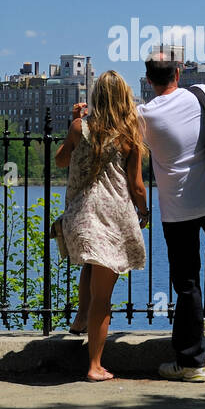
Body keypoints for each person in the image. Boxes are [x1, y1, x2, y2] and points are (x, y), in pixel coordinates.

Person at [137, 53, 205, 383]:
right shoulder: (198, 94)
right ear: (178, 74)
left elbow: (114, 129)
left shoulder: (144, 115)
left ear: (149, 80)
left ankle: (191, 362)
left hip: (176, 209)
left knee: (186, 282)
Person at [55, 71, 149, 381]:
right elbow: (136, 185)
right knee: (103, 299)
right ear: (124, 97)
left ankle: (80, 317)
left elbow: (60, 161)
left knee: (93, 267)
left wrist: (73, 126)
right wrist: (144, 211)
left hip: (80, 216)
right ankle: (94, 365)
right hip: (110, 219)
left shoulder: (79, 127)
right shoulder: (128, 132)